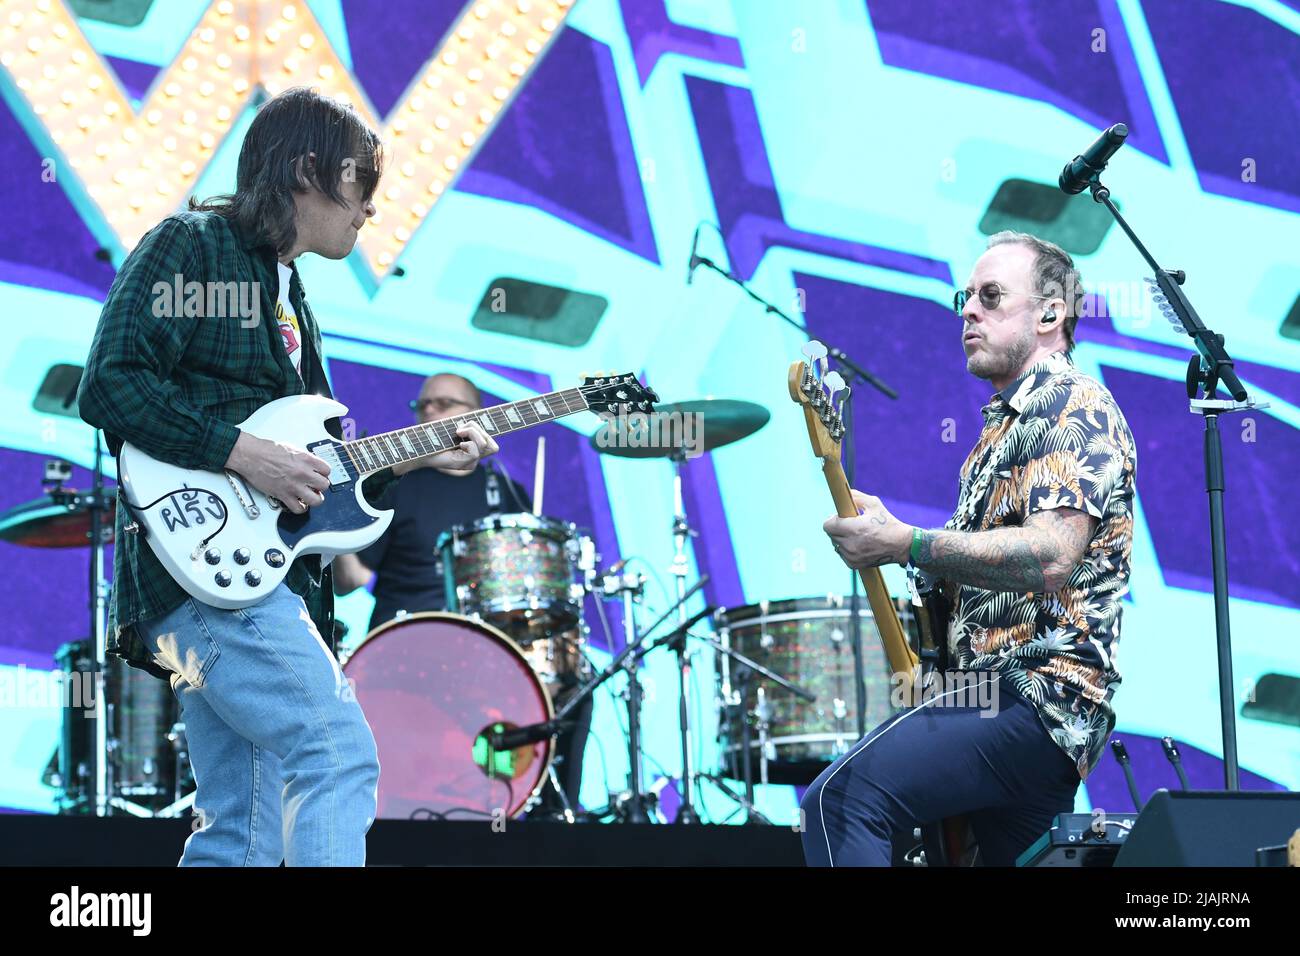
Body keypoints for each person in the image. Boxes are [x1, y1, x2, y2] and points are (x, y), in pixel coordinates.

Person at [76, 88, 497, 866]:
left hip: (244, 579)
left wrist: (417, 454)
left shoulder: (289, 293)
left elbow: (313, 480)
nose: (370, 208)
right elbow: (111, 384)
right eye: (360, 183)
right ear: (307, 170)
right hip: (202, 580)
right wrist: (242, 452)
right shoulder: (194, 245)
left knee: (242, 826)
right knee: (336, 752)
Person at [802, 231, 1137, 866]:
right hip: (1010, 705)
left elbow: (1050, 555)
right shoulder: (1001, 429)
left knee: (841, 802)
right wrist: (896, 538)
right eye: (967, 296)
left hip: (1033, 696)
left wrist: (908, 542)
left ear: (1049, 313)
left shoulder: (1071, 403)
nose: (968, 311)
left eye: (990, 296)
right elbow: (974, 576)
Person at [333, 376, 592, 815]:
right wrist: (338, 516)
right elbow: (350, 580)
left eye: (444, 404)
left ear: (476, 414)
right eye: (423, 405)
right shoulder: (397, 483)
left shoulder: (507, 492)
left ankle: (549, 819)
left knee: (577, 681)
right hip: (406, 645)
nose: (430, 412)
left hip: (488, 648)